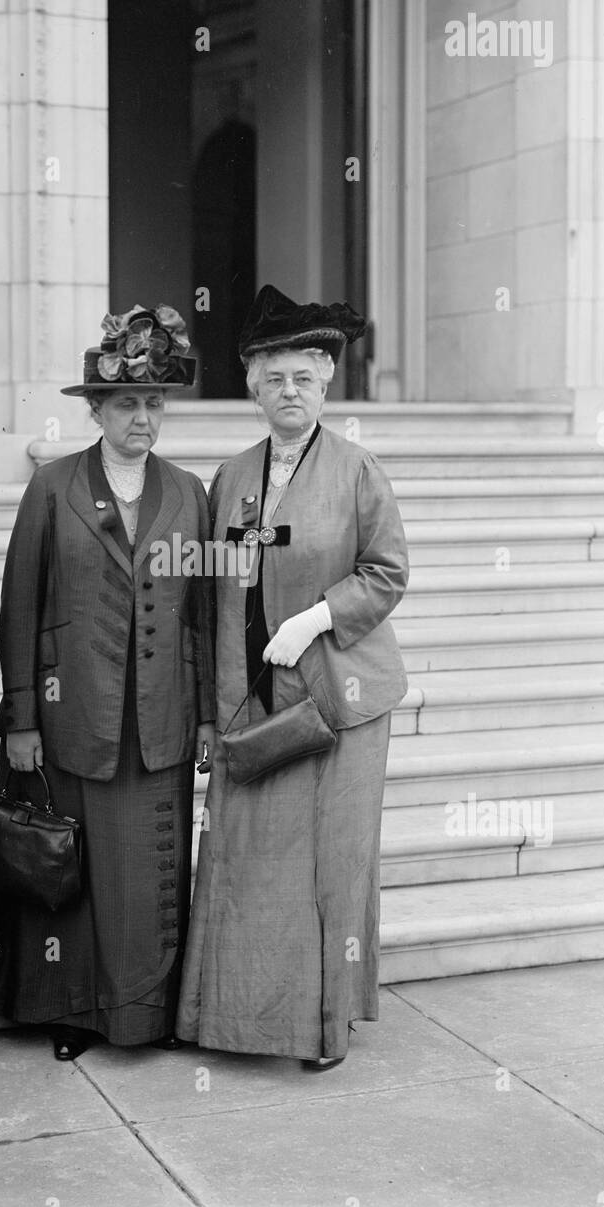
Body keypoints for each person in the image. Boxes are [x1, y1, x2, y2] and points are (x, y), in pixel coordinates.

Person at [0, 304, 215, 1059]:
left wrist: (206, 717)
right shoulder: (53, 488)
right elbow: (19, 608)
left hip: (162, 722)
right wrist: (21, 721)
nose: (143, 418)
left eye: (153, 404)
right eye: (127, 404)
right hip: (73, 714)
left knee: (148, 878)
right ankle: (72, 1013)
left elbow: (202, 616)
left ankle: (144, 1015)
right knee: (73, 876)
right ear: (98, 410)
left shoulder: (190, 494)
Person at [176, 285, 409, 1069]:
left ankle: (325, 1024)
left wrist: (317, 617)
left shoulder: (356, 471)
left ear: (325, 386)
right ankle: (236, 1017)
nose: (289, 394)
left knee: (332, 863)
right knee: (246, 857)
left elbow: (386, 572)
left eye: (304, 379)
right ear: (251, 386)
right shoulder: (232, 475)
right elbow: (212, 593)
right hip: (252, 704)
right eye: (274, 378)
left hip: (340, 702)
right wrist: (215, 715)